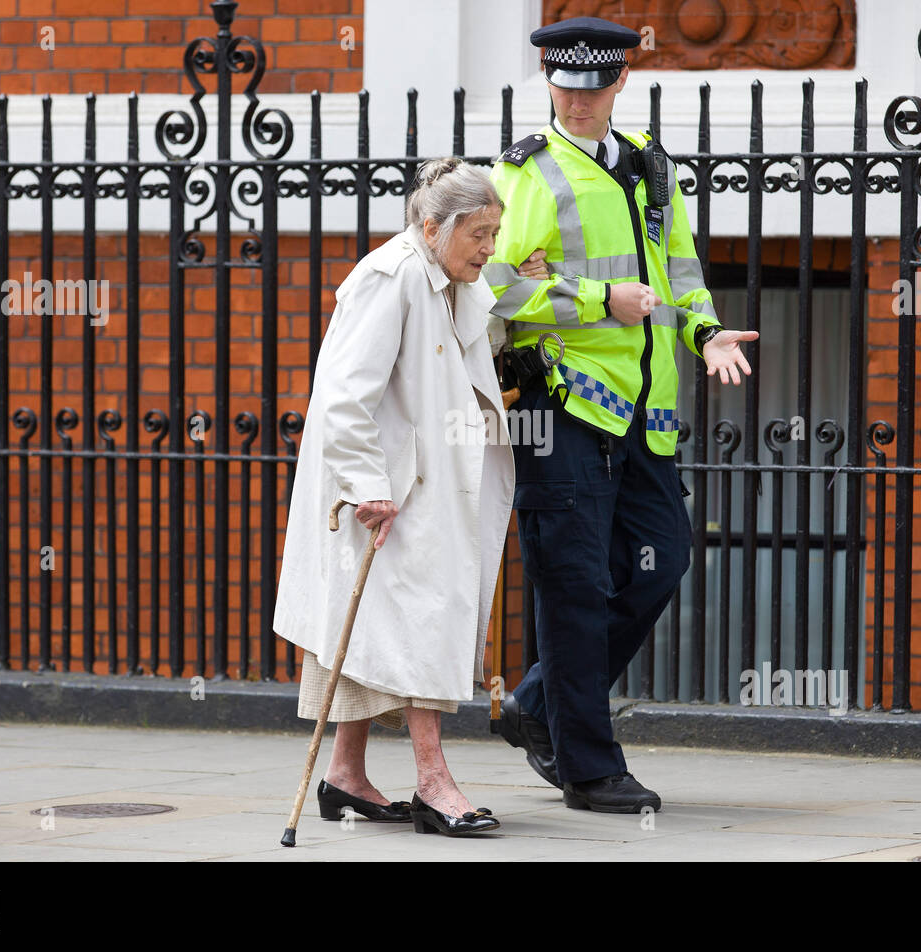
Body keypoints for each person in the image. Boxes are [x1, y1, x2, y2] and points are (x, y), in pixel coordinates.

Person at [486, 16, 758, 813]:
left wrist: (703, 331)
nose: (576, 100)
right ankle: (590, 768)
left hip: (644, 415)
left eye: (591, 85)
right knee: (572, 588)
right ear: (549, 83)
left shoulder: (648, 163)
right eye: (563, 86)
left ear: (618, 83)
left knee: (660, 565)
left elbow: (680, 268)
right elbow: (493, 283)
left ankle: (539, 706)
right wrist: (602, 298)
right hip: (563, 407)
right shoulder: (523, 175)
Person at [273, 157, 515, 837]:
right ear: (435, 227)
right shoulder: (394, 276)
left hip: (423, 487)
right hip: (391, 493)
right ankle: (435, 785)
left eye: (495, 233)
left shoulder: (444, 276)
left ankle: (345, 778)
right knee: (419, 626)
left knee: (377, 631)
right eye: (481, 234)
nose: (490, 248)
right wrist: (367, 487)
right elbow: (344, 394)